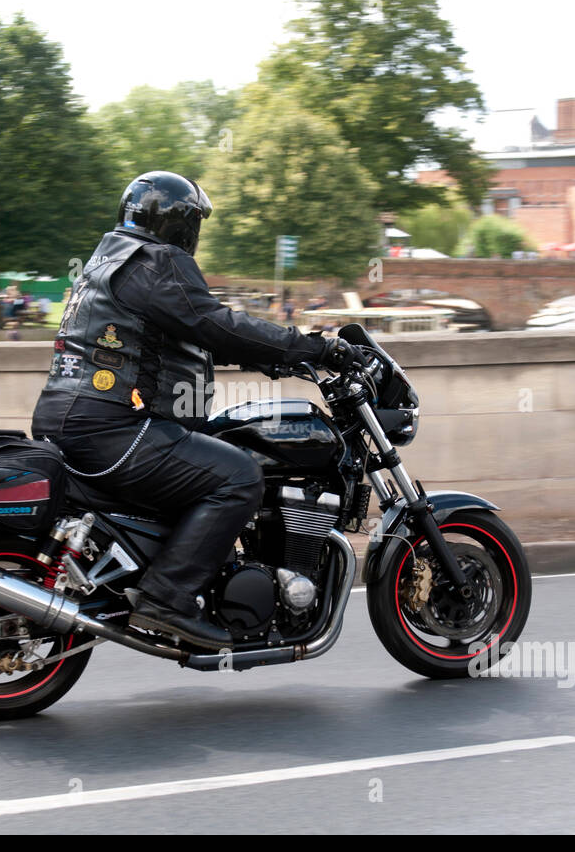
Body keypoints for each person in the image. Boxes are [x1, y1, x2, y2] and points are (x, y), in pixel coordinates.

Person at [31, 171, 360, 649]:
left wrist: (274, 358)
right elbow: (213, 323)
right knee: (239, 476)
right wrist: (313, 348)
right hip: (113, 428)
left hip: (72, 420)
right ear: (180, 223)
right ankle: (166, 597)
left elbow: (188, 335)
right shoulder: (155, 262)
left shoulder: (111, 260)